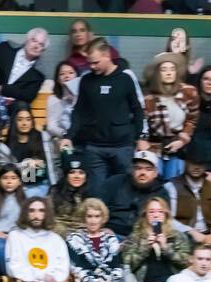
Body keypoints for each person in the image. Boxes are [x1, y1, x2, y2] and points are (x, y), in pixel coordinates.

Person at [60, 39, 149, 185]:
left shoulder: (125, 79)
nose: (92, 67)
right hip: (94, 147)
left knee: (124, 188)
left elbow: (137, 110)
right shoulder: (86, 80)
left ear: (107, 56)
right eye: (90, 63)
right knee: (96, 191)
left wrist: (141, 137)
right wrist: (69, 136)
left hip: (122, 146)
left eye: (96, 62)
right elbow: (78, 112)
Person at [163, 148, 211, 266]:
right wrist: (191, 231)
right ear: (186, 163)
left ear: (206, 165)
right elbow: (168, 219)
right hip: (184, 235)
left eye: (200, 164)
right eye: (193, 163)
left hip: (209, 235)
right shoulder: (171, 187)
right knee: (180, 241)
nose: (196, 167)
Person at [66, 198, 126, 282]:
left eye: (97, 216)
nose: (93, 221)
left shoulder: (110, 238)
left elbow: (117, 265)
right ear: (84, 218)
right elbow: (75, 268)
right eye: (89, 216)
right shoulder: (74, 239)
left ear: (102, 218)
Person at [5, 197, 69, 282]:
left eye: (41, 211)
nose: (36, 216)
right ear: (25, 213)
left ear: (46, 214)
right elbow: (13, 268)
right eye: (32, 211)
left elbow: (62, 270)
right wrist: (42, 276)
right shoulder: (15, 236)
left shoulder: (56, 239)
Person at [97, 150, 167, 239]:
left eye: (148, 169)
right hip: (110, 234)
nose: (143, 173)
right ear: (132, 170)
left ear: (155, 173)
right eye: (138, 168)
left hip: (142, 238)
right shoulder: (115, 182)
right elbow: (97, 208)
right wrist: (101, 228)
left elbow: (163, 222)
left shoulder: (161, 192)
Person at [0, 28, 50, 107]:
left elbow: (29, 96)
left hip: (13, 109)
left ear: (42, 50)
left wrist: (3, 89)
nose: (36, 46)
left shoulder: (39, 74)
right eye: (34, 40)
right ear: (27, 40)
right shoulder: (5, 48)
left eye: (41, 44)